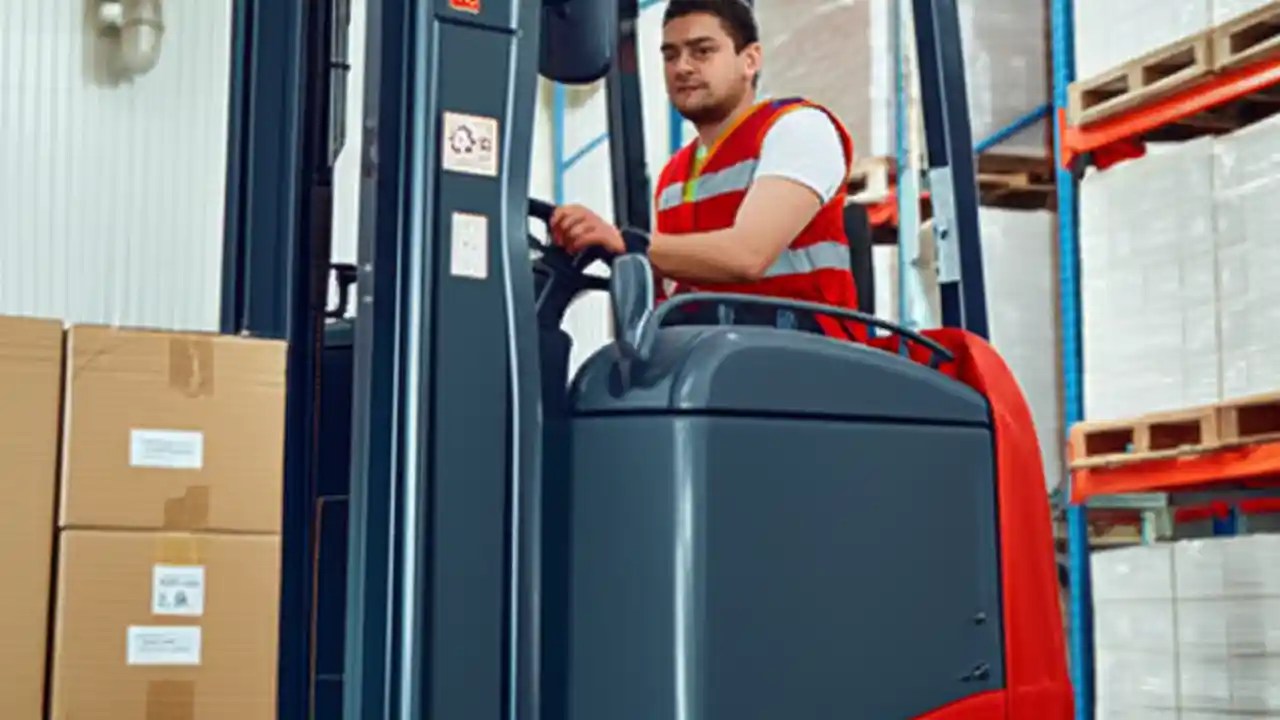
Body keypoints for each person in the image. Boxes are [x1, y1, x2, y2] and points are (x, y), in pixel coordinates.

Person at [549, 0, 861, 339]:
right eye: (670, 56)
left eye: (702, 51)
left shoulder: (796, 128)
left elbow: (748, 256)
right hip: (720, 346)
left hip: (801, 348)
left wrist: (628, 244)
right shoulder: (674, 175)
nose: (682, 67)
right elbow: (670, 285)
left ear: (750, 60)